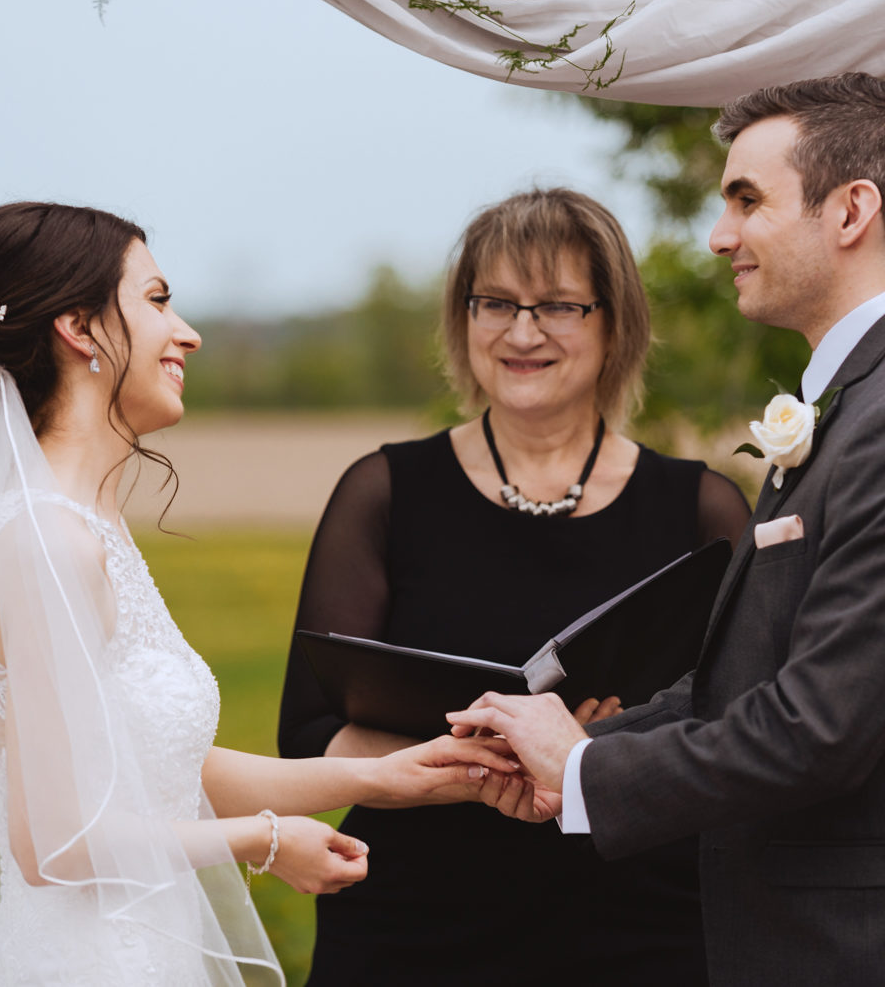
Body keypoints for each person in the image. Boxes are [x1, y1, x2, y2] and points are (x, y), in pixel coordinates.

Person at [448, 75, 885, 986]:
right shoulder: (870, 401)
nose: (720, 235)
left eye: (746, 201)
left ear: (852, 211)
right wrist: (570, 754)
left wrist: (584, 774)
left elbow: (818, 727)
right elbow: (747, 684)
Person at [0, 202, 510, 987]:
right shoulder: (47, 543)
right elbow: (54, 842)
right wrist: (262, 840)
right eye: (157, 301)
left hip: (143, 948)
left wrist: (380, 777)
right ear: (80, 328)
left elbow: (158, 768)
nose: (186, 332)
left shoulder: (88, 529)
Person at [276, 187, 752, 986]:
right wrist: (482, 763)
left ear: (615, 322)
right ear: (463, 320)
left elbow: (750, 730)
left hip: (644, 927)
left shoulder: (702, 510)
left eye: (559, 306)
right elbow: (308, 736)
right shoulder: (387, 492)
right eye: (495, 302)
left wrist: (612, 745)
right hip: (412, 931)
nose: (522, 332)